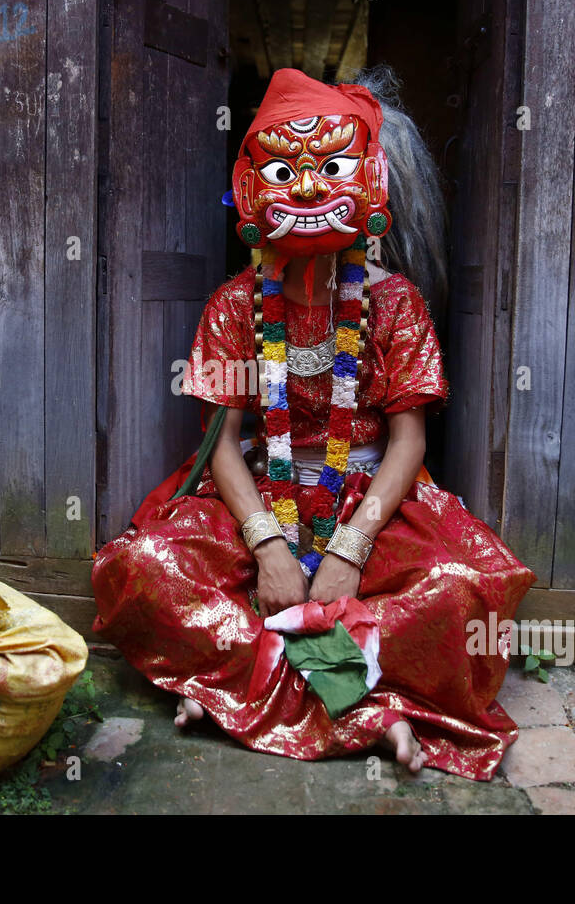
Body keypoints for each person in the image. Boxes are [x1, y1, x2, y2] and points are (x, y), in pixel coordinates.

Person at [92, 67, 535, 778]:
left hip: (372, 500)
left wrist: (351, 549)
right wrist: (266, 546)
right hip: (255, 496)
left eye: (329, 168)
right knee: (143, 569)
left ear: (371, 182)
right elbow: (221, 444)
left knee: (458, 589)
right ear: (248, 187)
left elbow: (409, 441)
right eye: (282, 169)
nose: (304, 190)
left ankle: (232, 685)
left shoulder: (396, 305)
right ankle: (364, 707)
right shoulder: (234, 305)